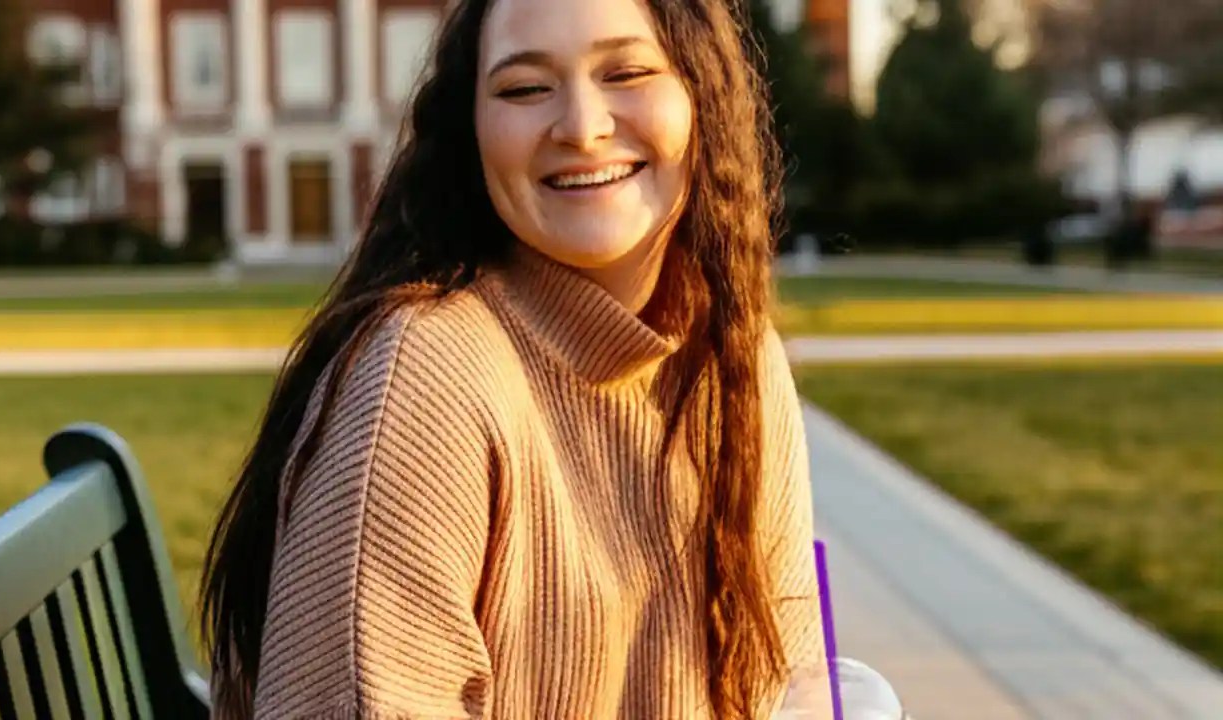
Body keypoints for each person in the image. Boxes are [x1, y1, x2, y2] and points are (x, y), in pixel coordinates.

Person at [200, 0, 833, 717]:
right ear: (471, 132)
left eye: (626, 72)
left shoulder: (737, 359)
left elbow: (790, 675)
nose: (583, 128)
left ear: (703, 96)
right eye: (525, 89)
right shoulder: (429, 379)